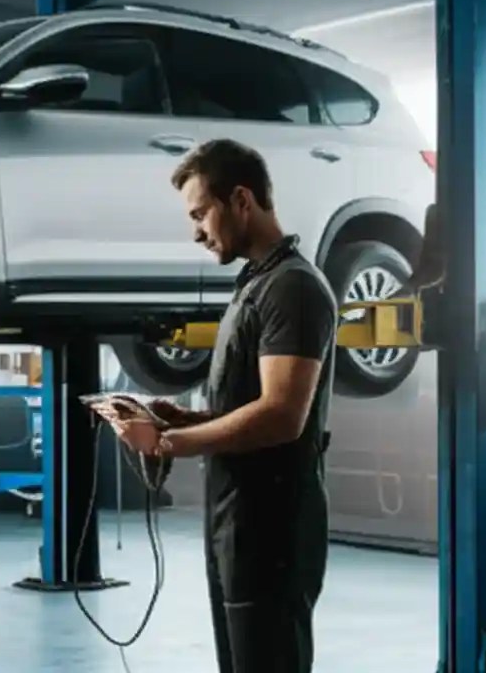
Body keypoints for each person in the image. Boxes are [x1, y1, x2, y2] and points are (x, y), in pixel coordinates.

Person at [96, 138, 339, 673]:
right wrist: (184, 418)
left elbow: (281, 415)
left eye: (201, 213)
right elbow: (250, 405)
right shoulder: (256, 284)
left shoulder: (293, 288)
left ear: (242, 200)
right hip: (239, 518)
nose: (197, 231)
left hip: (273, 527)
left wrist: (169, 442)